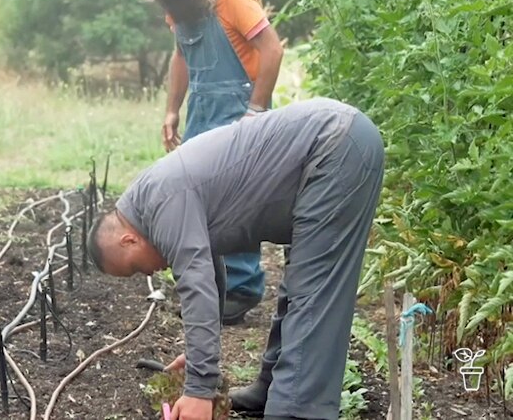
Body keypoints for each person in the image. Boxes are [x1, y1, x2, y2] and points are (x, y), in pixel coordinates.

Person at [87, 98, 385, 420]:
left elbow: (196, 283)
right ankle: (271, 390)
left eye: (135, 268)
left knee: (313, 297)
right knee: (300, 288)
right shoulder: (152, 201)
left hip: (334, 148)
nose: (148, 272)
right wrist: (199, 360)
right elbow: (208, 275)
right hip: (330, 146)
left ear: (128, 240)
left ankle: (297, 412)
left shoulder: (161, 200)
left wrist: (199, 390)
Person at [135, 0, 285, 325]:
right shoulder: (180, 3)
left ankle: (241, 288)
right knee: (194, 199)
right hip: (202, 109)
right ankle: (210, 288)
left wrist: (256, 111)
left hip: (239, 110)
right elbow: (181, 56)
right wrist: (172, 110)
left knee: (234, 201)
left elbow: (272, 50)